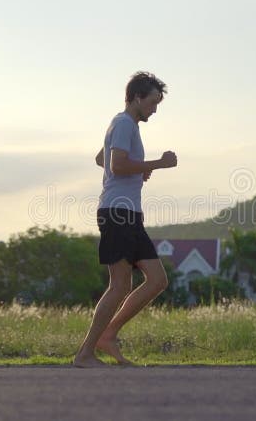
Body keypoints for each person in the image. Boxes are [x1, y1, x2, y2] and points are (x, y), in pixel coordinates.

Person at [73, 71, 178, 368]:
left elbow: (102, 160)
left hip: (128, 213)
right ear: (137, 97)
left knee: (157, 280)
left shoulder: (123, 125)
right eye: (153, 102)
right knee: (119, 285)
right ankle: (85, 353)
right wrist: (158, 164)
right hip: (117, 213)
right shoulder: (123, 123)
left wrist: (137, 168)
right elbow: (115, 164)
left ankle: (108, 335)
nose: (155, 109)